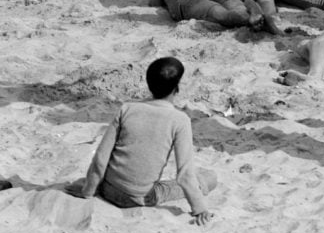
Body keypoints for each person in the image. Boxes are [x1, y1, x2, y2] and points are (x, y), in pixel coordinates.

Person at [66, 57, 215, 224]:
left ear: (149, 84)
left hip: (108, 190)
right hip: (140, 198)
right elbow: (185, 176)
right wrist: (199, 208)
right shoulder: (180, 120)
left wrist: (88, 191)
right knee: (209, 177)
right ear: (176, 88)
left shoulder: (127, 109)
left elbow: (101, 159)